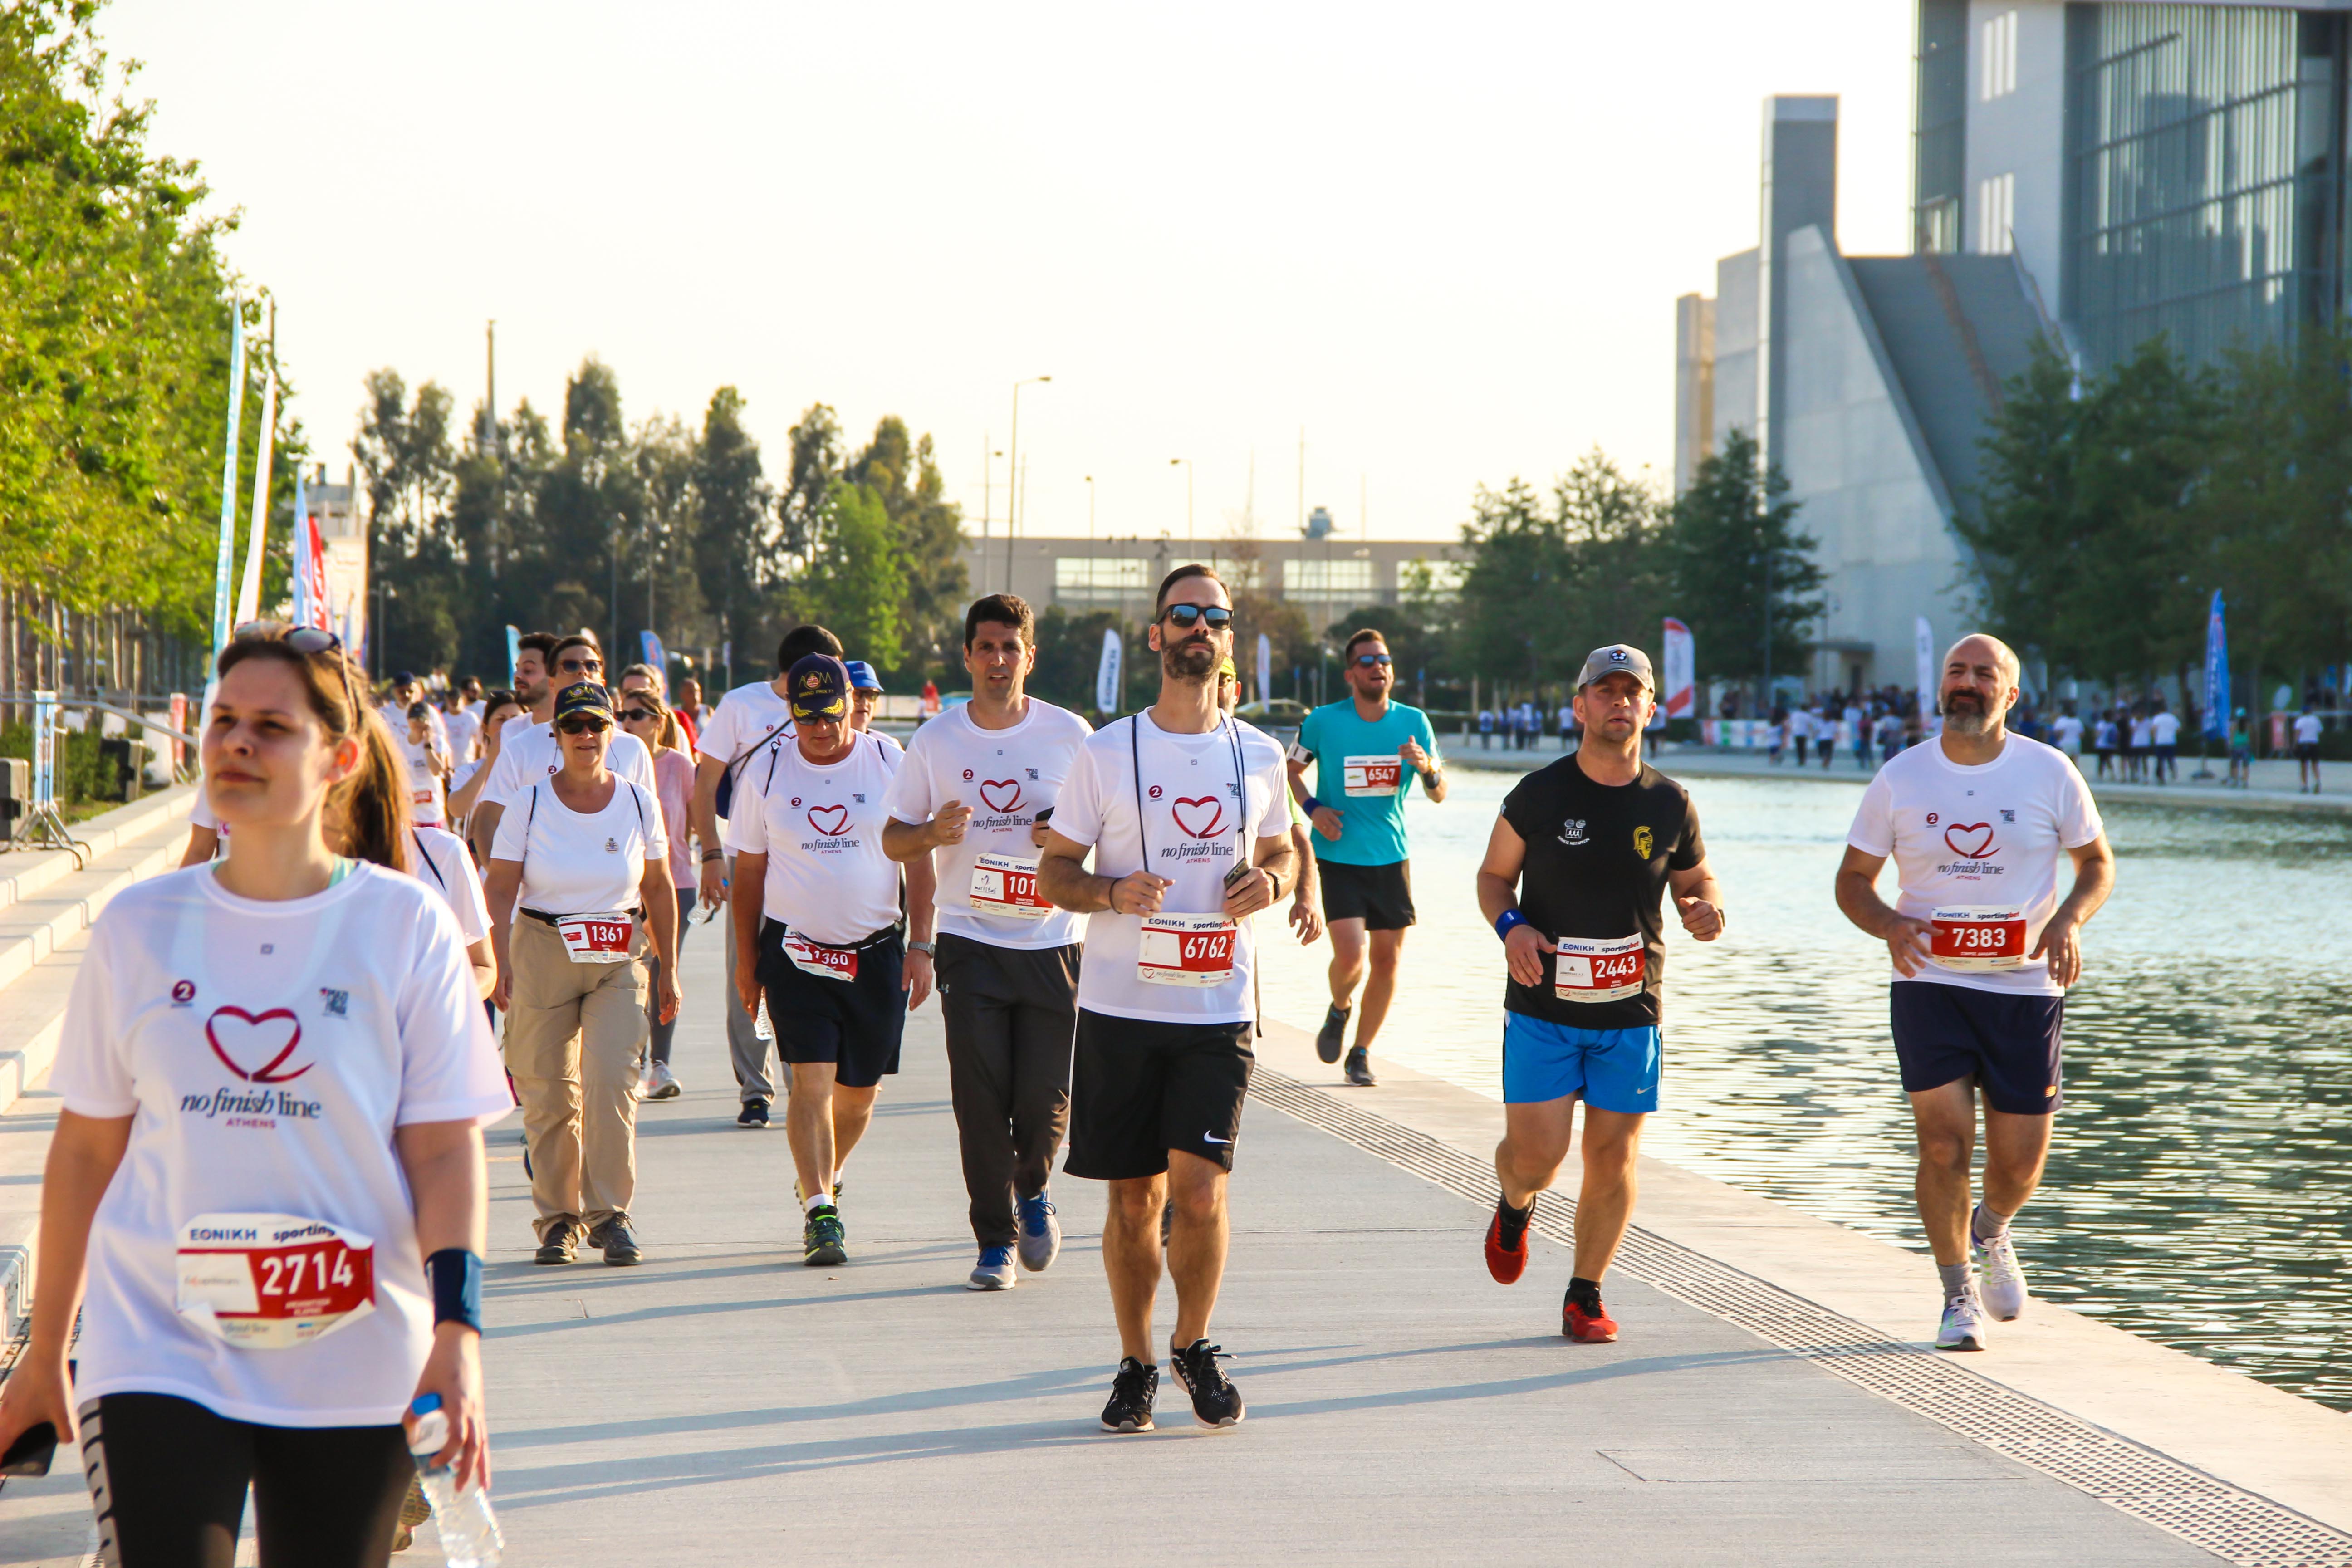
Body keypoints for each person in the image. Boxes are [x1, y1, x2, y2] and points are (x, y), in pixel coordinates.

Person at [0, 623, 506, 1566]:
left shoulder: (405, 929)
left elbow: (443, 1149)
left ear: (339, 758)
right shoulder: (140, 927)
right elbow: (84, 1151)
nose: (236, 742)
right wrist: (45, 1352)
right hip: (157, 1343)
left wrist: (458, 1332)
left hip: (354, 1354)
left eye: (272, 726)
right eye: (224, 720)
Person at [1038, 563, 1295, 1432]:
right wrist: (1110, 895)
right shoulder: (1106, 751)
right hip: (1118, 1009)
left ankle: (1193, 1343)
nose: (1198, 628)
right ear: (1156, 636)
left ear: (1226, 639)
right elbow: (1054, 872)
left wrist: (1271, 880)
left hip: (1215, 1011)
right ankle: (1135, 1362)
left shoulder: (1256, 754)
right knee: (1131, 1202)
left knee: (1200, 1194)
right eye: (1182, 615)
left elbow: (1285, 855)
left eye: (1213, 618)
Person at [1833, 633, 2114, 1352]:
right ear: (1941, 688)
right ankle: (1956, 1291)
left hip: (2025, 986)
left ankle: (1990, 1228)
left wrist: (2069, 920)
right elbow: (1852, 882)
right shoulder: (1901, 777)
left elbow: (2096, 864)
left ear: (2010, 694)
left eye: (1984, 674)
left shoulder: (2050, 773)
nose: (1967, 682)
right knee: (1942, 1143)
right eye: (1957, 670)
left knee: (2019, 1162)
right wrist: (1891, 923)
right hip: (1930, 982)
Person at [1476, 643, 1723, 1343]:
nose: (1619, 702)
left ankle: (1585, 1292)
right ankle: (1516, 1203)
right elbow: (1492, 880)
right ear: (1579, 705)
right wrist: (1513, 928)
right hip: (1542, 1009)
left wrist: (1707, 911)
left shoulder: (1671, 802)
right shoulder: (1539, 794)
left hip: (1632, 1012)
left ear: (1651, 707)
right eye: (1604, 690)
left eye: (1632, 691)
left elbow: (1697, 886)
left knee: (1612, 1156)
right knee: (1538, 1159)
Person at [882, 594, 1093, 1290]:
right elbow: (893, 837)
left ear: (1030, 656)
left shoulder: (1072, 736)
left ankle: (1032, 1188)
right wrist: (931, 835)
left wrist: (1061, 839)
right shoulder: (937, 741)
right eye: (986, 648)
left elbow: (1108, 836)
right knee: (979, 1099)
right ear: (968, 656)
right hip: (968, 939)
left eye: (1011, 648)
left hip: (1052, 939)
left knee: (1043, 1098)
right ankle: (994, 1241)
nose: (998, 660)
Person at [729, 655, 935, 1266]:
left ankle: (826, 1175)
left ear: (852, 702)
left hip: (876, 954)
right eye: (805, 715)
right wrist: (747, 964)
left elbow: (920, 860)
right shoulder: (765, 770)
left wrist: (922, 945)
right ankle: (821, 1210)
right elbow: (749, 874)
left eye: (830, 712)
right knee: (810, 1085)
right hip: (795, 955)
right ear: (790, 711)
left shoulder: (889, 762)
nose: (819, 728)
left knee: (858, 1094)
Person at [485, 682, 681, 1267]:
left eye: (597, 725)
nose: (586, 737)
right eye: (574, 726)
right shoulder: (530, 803)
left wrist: (668, 968)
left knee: (611, 1080)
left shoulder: (639, 801)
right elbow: (499, 890)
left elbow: (658, 886)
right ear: (558, 735)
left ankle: (610, 1215)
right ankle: (558, 1222)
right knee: (548, 1094)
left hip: (618, 949)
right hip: (543, 946)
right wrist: (498, 962)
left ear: (612, 732)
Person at [695, 624, 846, 1128]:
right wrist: (713, 854)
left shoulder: (835, 710)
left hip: (815, 856)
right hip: (751, 854)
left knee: (805, 967)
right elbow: (706, 784)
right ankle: (756, 1088)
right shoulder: (740, 706)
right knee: (748, 967)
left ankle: (804, 1074)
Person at [1287, 627, 1445, 1088]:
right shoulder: (1322, 721)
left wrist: (1427, 768)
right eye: (1368, 662)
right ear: (1350, 675)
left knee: (1388, 963)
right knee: (1352, 958)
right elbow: (1290, 771)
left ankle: (1361, 1053)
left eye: (1384, 660)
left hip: (1391, 857)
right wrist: (1314, 810)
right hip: (1339, 856)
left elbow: (1439, 793)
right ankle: (1340, 1008)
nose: (1378, 667)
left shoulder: (1413, 722)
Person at [470, 636, 658, 881]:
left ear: (602, 680)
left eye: (592, 665)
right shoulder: (521, 746)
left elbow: (650, 833)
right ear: (552, 682)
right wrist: (507, 884)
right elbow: (489, 820)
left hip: (614, 908)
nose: (582, 670)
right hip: (538, 908)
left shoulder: (633, 748)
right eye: (570, 665)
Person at [622, 685, 699, 1101]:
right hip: (625, 885)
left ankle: (658, 1064)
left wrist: (717, 865)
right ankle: (633, 1060)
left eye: (635, 715)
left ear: (657, 721)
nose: (626, 723)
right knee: (630, 972)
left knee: (660, 968)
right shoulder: (615, 762)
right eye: (622, 715)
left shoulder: (681, 765)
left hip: (677, 881)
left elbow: (696, 820)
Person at [402, 702, 453, 828]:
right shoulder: (400, 743)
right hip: (410, 812)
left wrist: (428, 745)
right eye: (415, 719)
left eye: (422, 719)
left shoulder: (437, 742)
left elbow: (437, 770)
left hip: (432, 811)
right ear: (408, 721)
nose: (419, 723)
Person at [2148, 700, 2180, 785]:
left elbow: (2153, 729)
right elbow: (2179, 729)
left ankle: (2161, 777)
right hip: (2171, 741)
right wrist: (2172, 734)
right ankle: (2173, 771)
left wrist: (2154, 738)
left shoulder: (2157, 718)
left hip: (2160, 742)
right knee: (2170, 759)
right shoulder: (2173, 718)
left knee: (2160, 760)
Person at [2295, 706, 2324, 792]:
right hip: (2314, 743)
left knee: (2304, 765)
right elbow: (2320, 731)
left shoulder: (2301, 721)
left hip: (2304, 743)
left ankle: (2304, 785)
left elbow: (2298, 733)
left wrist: (2295, 744)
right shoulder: (2316, 720)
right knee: (2315, 764)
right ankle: (2317, 781)